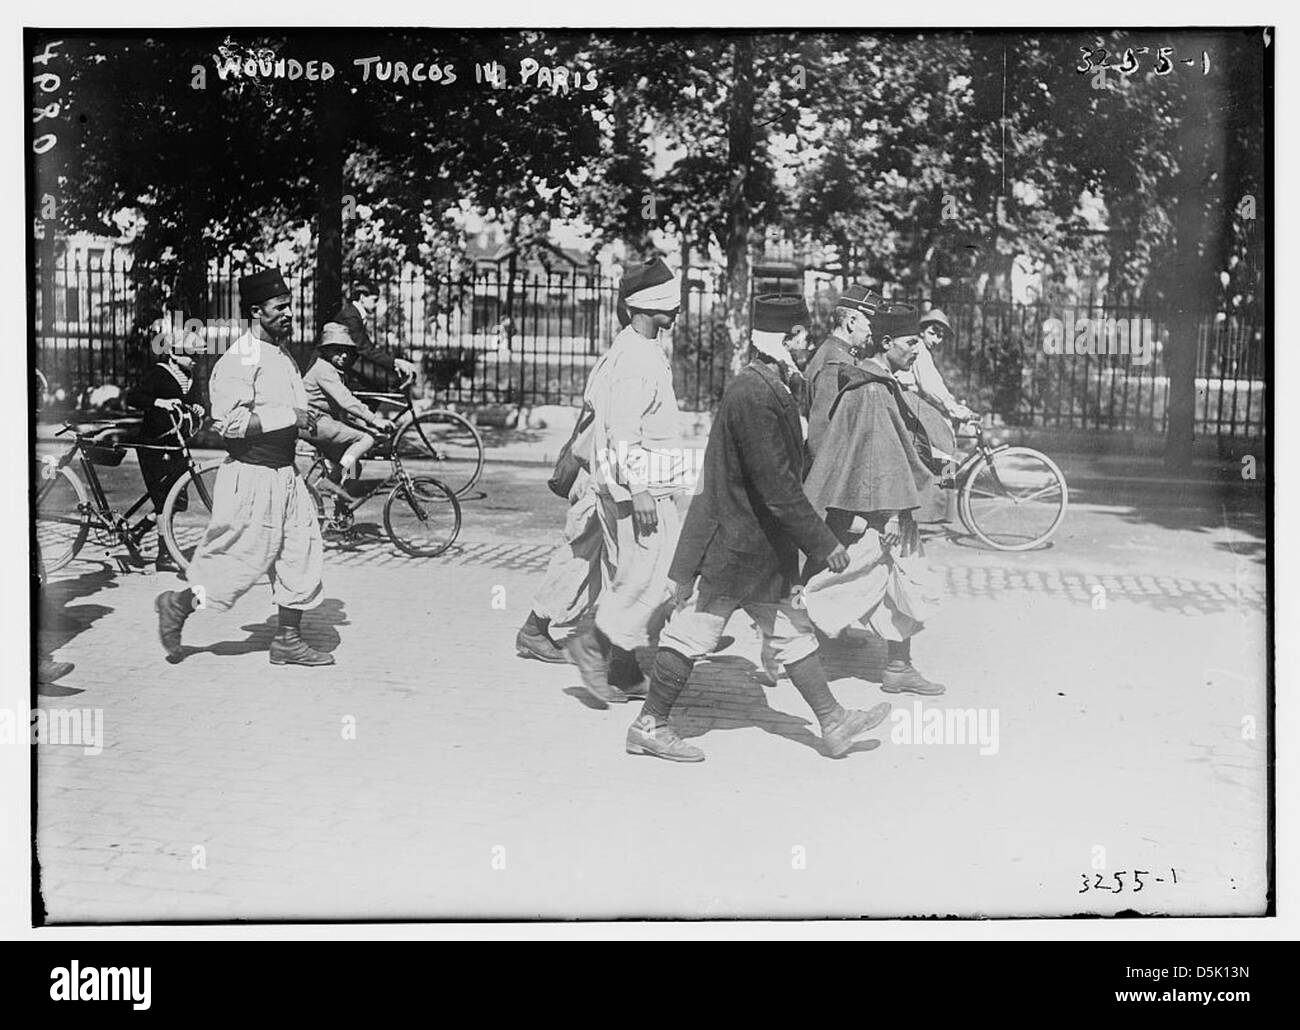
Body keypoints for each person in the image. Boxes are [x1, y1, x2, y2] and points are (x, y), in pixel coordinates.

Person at [626, 294, 891, 763]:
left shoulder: (770, 385)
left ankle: (832, 722)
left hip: (758, 551)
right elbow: (777, 486)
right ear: (785, 339)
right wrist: (823, 542)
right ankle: (648, 725)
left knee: (791, 632)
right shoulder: (753, 394)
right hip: (738, 549)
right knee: (693, 633)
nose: (807, 342)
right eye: (802, 335)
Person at [154, 268, 332, 667]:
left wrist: (307, 423)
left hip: (285, 475)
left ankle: (287, 639)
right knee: (236, 564)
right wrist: (290, 416)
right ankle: (179, 605)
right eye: (279, 307)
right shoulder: (238, 358)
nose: (289, 313)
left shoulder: (282, 355)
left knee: (300, 552)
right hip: (251, 476)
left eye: (290, 306)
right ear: (256, 311)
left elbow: (290, 413)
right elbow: (231, 426)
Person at [803, 301, 947, 696]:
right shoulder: (871, 390)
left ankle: (899, 665)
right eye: (910, 342)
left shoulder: (872, 382)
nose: (917, 350)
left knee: (893, 585)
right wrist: (891, 515)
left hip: (884, 507)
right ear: (886, 342)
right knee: (845, 586)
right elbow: (877, 460)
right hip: (885, 511)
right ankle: (783, 635)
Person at [564, 258, 688, 705]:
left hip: (644, 486)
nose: (676, 312)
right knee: (651, 582)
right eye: (668, 305)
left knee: (632, 577)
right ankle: (590, 646)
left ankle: (624, 670)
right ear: (646, 305)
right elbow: (622, 430)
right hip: (640, 490)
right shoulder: (636, 357)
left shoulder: (640, 346)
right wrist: (639, 489)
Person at [126, 328, 205, 573]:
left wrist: (198, 407)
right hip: (154, 444)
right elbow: (133, 397)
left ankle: (137, 531)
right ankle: (164, 555)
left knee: (178, 499)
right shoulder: (159, 374)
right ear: (172, 353)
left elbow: (196, 401)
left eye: (197, 356)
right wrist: (158, 402)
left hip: (176, 443)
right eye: (189, 354)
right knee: (163, 500)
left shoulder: (190, 377)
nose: (194, 360)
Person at [892, 308, 976, 525]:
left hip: (910, 402)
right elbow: (931, 387)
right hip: (905, 403)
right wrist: (954, 408)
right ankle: (940, 509)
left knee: (942, 448)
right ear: (922, 331)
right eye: (933, 332)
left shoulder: (920, 349)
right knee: (945, 447)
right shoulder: (918, 348)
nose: (937, 339)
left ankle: (939, 507)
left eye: (940, 335)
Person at [301, 323, 394, 498]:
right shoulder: (323, 369)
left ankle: (341, 500)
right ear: (326, 350)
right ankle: (332, 480)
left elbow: (347, 412)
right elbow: (346, 401)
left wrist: (369, 427)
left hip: (323, 422)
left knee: (354, 466)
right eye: (337, 350)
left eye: (346, 351)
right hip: (313, 421)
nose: (343, 355)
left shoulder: (334, 371)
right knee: (365, 440)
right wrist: (374, 420)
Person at [803, 284, 882, 463]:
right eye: (869, 325)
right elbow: (821, 432)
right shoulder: (836, 362)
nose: (871, 332)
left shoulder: (835, 352)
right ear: (851, 322)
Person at [331, 279, 418, 385]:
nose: (376, 305)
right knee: (389, 381)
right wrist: (394, 362)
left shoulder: (354, 314)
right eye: (374, 300)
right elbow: (364, 348)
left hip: (350, 364)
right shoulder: (351, 316)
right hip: (339, 366)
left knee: (387, 380)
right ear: (362, 298)